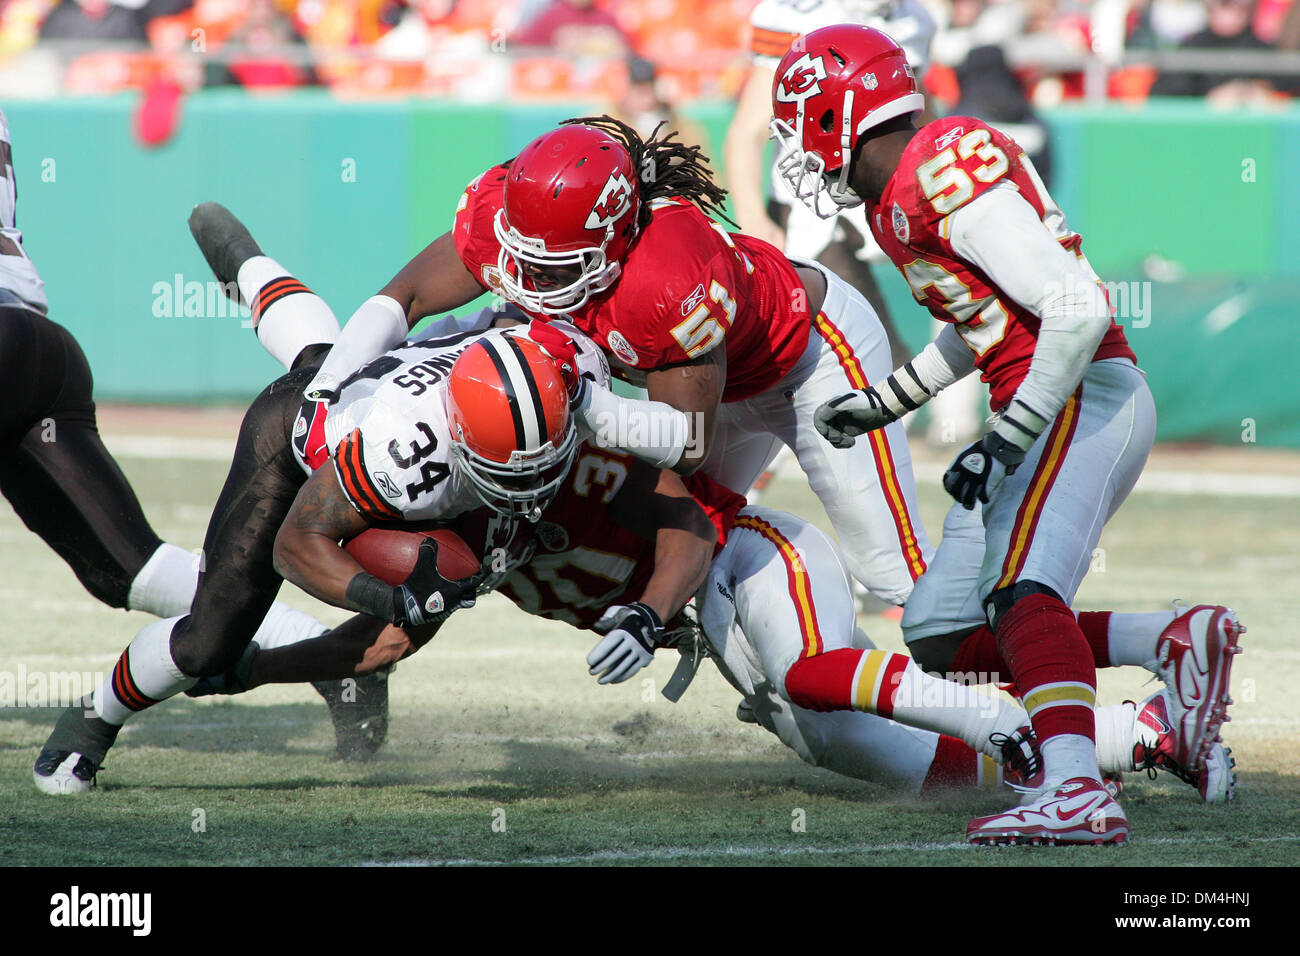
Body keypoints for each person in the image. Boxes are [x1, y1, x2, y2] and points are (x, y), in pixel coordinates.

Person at [771, 25, 1242, 843]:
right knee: (941, 632)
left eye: (800, 123)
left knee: (1023, 592)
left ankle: (1076, 789)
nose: (799, 153)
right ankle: (1167, 639)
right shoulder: (898, 198)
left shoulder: (936, 167)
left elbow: (1078, 308)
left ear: (834, 114)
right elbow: (980, 323)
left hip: (1080, 393)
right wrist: (886, 401)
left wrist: (1009, 436)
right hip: (1039, 398)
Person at [190, 436, 1220, 805]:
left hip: (747, 555)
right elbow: (377, 637)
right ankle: (1141, 737)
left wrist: (644, 608)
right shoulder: (445, 548)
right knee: (848, 747)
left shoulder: (570, 459)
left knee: (821, 678)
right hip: (712, 615)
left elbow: (690, 520)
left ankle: (1017, 718)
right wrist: (253, 666)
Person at [33, 205, 596, 793]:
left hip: (370, 385)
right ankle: (93, 719)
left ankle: (251, 270)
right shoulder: (403, 461)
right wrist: (389, 598)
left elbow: (389, 641)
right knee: (207, 643)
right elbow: (296, 546)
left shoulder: (574, 367)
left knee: (321, 358)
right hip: (301, 438)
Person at [297, 115, 931, 612]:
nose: (531, 280)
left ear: (615, 239)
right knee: (695, 555)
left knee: (890, 571)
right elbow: (403, 298)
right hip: (691, 384)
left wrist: (581, 404)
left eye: (556, 264)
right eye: (526, 256)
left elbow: (686, 441)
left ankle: (989, 672)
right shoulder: (515, 219)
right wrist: (328, 385)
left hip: (807, 359)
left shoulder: (664, 278)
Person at [723, 0, 935, 369]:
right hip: (816, 198)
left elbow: (918, 107)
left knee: (963, 290)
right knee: (868, 351)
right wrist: (753, 218)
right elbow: (748, 129)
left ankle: (957, 415)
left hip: (889, 186)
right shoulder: (801, 12)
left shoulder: (916, 18)